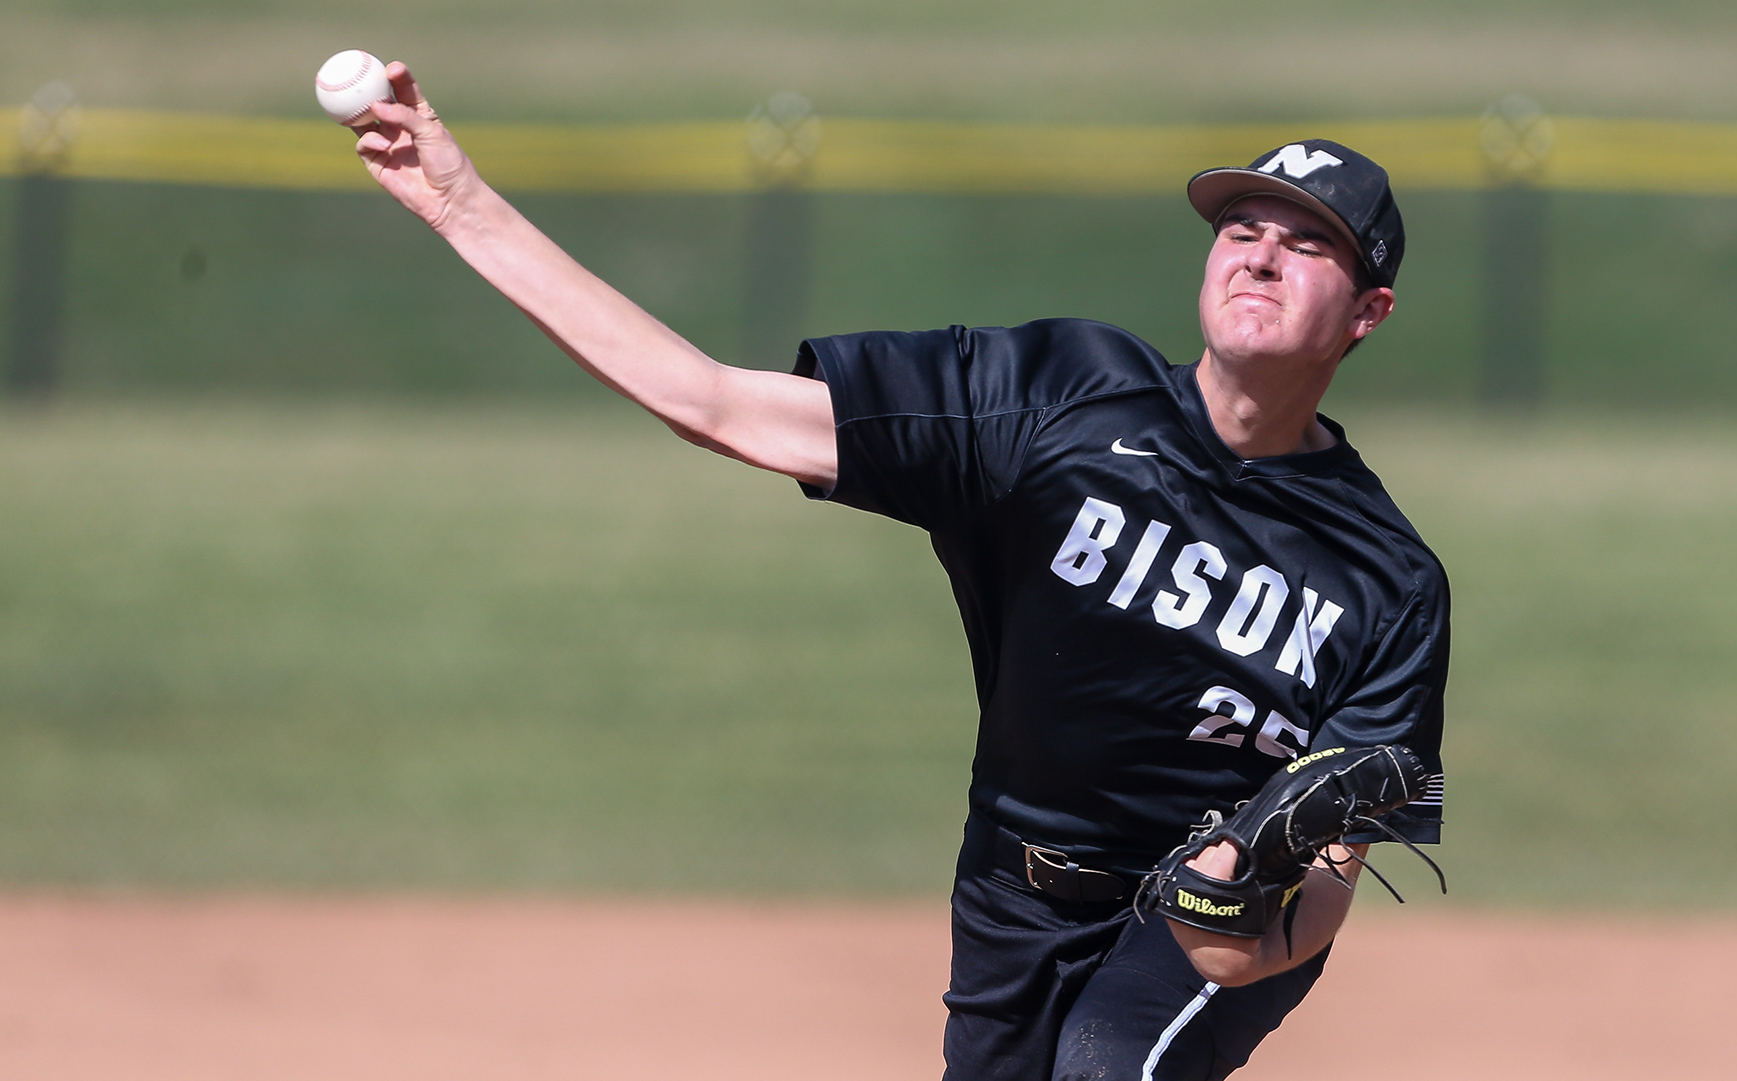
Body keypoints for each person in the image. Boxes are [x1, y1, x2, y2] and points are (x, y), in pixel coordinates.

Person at [354, 63, 1448, 1081]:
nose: (1256, 252)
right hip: (1013, 885)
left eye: (1306, 245)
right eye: (1241, 228)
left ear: (1367, 312)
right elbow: (713, 403)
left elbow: (1315, 911)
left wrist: (1229, 923)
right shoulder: (1056, 403)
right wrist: (461, 204)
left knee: (1109, 1067)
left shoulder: (1388, 582)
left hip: (1211, 922)